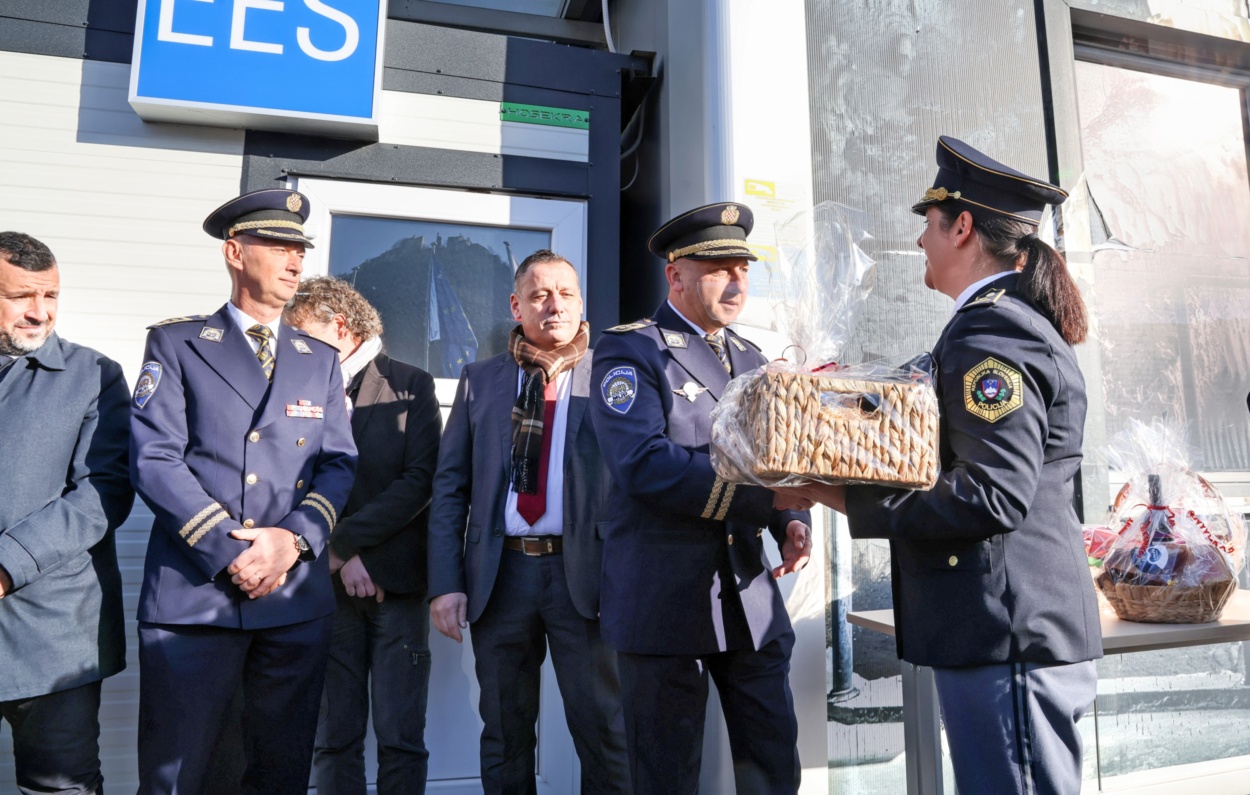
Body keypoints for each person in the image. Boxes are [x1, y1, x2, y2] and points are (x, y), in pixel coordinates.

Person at [776, 137, 1102, 795]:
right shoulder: (993, 324)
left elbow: (991, 493)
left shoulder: (992, 333)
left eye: (928, 223)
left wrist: (833, 491)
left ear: (961, 227)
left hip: (1004, 632)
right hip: (1003, 631)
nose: (920, 240)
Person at [130, 189, 358, 795]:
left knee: (279, 773)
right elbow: (154, 458)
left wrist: (293, 541)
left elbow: (339, 464)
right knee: (179, 775)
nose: (295, 260)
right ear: (235, 253)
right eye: (279, 246)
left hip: (293, 599)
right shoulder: (178, 343)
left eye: (299, 249)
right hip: (196, 596)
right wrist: (230, 551)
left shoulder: (320, 359)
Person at [589, 203, 813, 795]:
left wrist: (791, 520)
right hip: (665, 602)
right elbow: (642, 465)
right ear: (676, 275)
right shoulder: (631, 351)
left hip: (749, 598)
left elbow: (773, 460)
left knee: (773, 770)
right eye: (718, 270)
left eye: (743, 269)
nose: (736, 283)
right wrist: (767, 503)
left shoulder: (753, 359)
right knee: (667, 777)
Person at [427, 249, 630, 795]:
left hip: (586, 577)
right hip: (501, 578)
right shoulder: (480, 380)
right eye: (539, 295)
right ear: (517, 307)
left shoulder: (615, 376)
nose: (554, 305)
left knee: (606, 733)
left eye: (565, 294)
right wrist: (445, 583)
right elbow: (450, 488)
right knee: (504, 734)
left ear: (581, 303)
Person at [284, 276, 442, 795]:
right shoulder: (298, 388)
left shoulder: (412, 385)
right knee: (333, 738)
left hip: (395, 581)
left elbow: (421, 481)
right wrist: (330, 556)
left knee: (400, 737)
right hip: (324, 587)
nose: (294, 347)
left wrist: (350, 548)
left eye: (303, 335)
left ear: (341, 327)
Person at [0, 232, 134, 795]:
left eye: (51, 295)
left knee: (61, 788)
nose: (40, 312)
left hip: (53, 634)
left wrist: (6, 564)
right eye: (21, 296)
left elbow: (104, 491)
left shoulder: (94, 375)